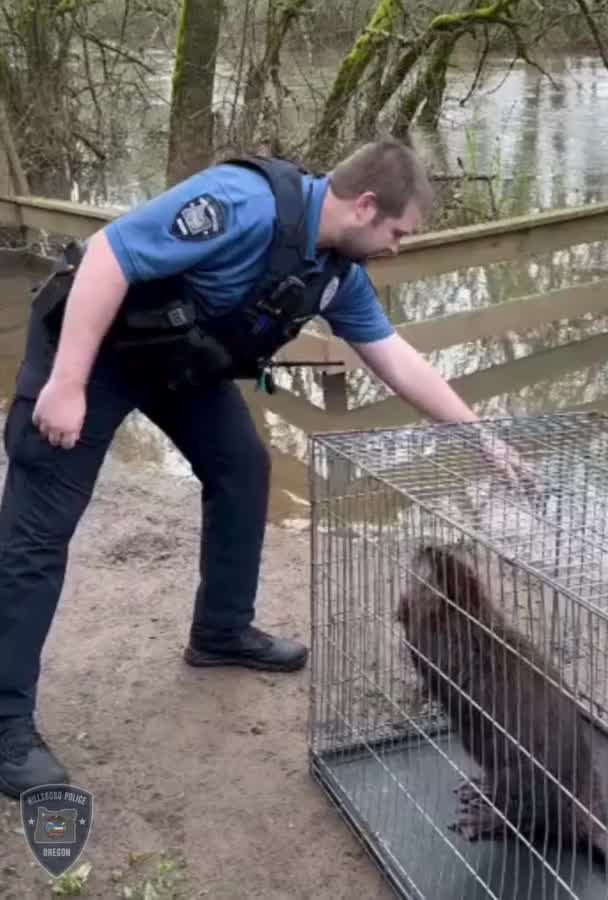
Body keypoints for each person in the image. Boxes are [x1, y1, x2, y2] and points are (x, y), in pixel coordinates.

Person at [0, 139, 530, 799]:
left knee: (244, 471)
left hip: (174, 361)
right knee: (37, 535)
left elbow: (394, 358)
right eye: (398, 232)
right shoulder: (243, 204)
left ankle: (221, 630)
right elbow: (109, 255)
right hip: (93, 347)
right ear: (366, 206)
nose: (398, 246)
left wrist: (480, 438)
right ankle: (7, 726)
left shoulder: (335, 271)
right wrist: (68, 383)